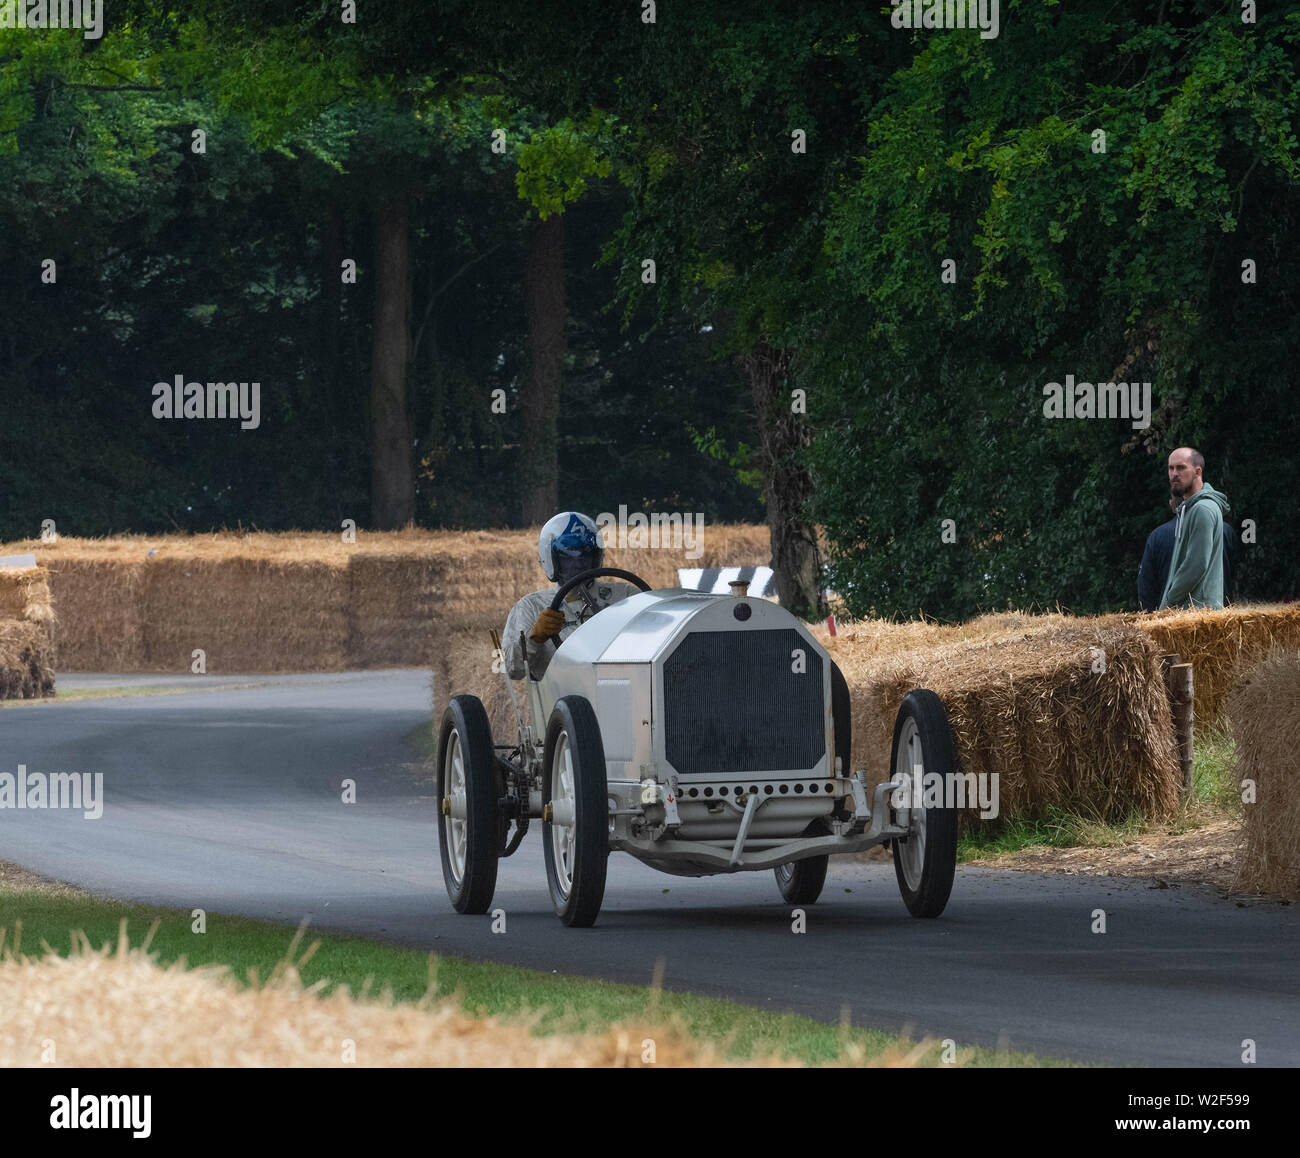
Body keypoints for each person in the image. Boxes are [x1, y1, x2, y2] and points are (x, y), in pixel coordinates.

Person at [502, 511, 640, 680]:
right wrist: (535, 638)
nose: (578, 562)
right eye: (568, 556)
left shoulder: (626, 596)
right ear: (551, 559)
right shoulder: (531, 607)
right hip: (559, 700)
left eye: (585, 554)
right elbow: (513, 670)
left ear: (595, 557)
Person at [1158, 447, 1232, 611]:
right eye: (1171, 468)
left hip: (1197, 614)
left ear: (1198, 471)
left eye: (1181, 467)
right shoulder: (1189, 508)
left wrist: (1168, 603)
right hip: (1192, 613)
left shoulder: (1202, 509)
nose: (1174, 473)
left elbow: (1196, 565)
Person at [1138, 492, 1237, 611]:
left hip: (1170, 616)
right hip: (1217, 612)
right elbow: (1231, 573)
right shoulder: (1226, 530)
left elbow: (1146, 586)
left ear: (1172, 505)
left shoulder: (1157, 536)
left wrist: (1154, 612)